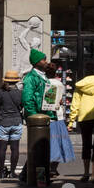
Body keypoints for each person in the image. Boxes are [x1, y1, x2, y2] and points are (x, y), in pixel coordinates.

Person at [21, 48, 73, 178]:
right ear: (37, 62)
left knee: (42, 148)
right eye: (43, 59)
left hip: (47, 116)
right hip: (39, 117)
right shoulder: (31, 78)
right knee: (39, 149)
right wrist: (34, 117)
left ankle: (35, 176)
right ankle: (33, 176)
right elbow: (27, 99)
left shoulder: (42, 76)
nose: (46, 61)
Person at [0, 69, 24, 178]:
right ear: (16, 82)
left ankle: (1, 173)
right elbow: (22, 106)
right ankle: (13, 172)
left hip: (3, 122)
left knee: (2, 149)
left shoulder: (0, 93)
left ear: (5, 80)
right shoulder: (19, 93)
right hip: (16, 122)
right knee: (15, 149)